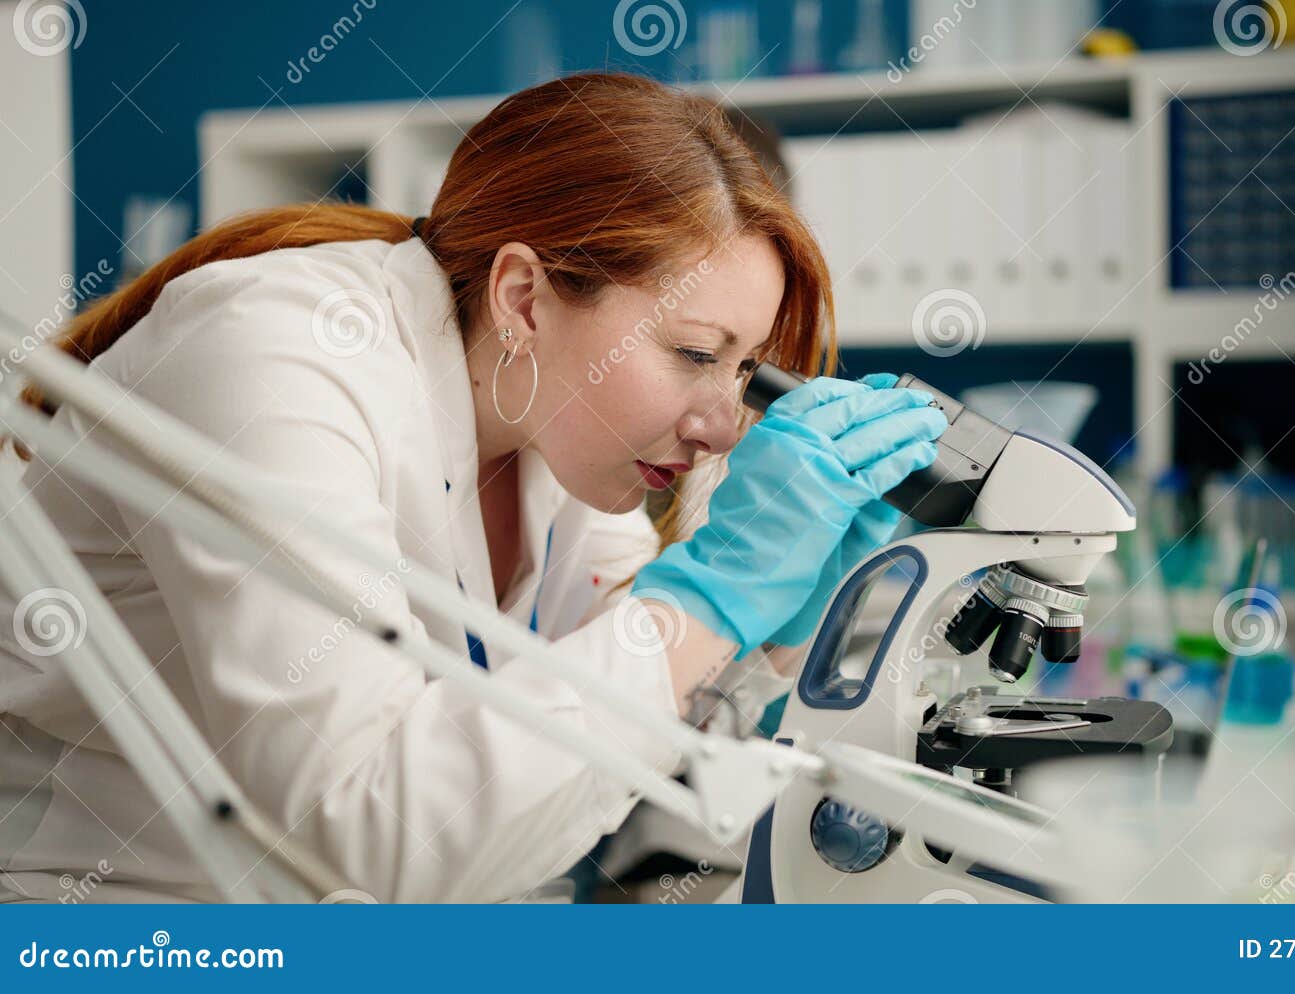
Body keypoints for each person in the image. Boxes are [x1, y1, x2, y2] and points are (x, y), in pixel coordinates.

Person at [0, 72, 945, 903]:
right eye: (696, 354)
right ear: (524, 296)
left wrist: (768, 636)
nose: (722, 424)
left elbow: (604, 759)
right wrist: (718, 589)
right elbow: (369, 831)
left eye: (743, 372)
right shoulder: (277, 354)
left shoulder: (562, 439)